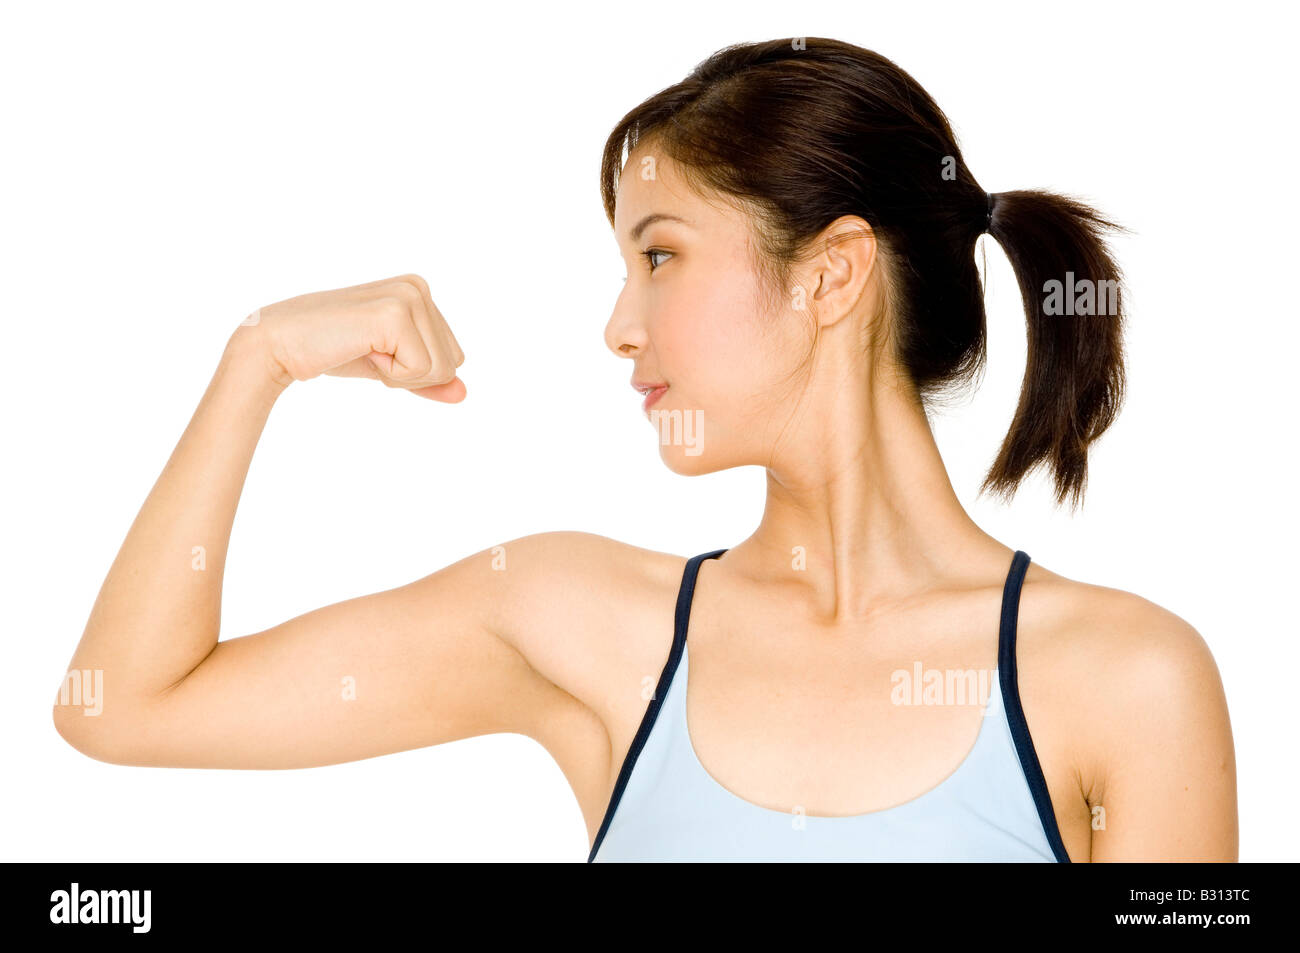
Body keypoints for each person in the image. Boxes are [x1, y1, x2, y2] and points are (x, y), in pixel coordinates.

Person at [53, 37, 1236, 862]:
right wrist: (258, 358)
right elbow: (125, 704)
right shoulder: (578, 618)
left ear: (829, 273)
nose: (618, 325)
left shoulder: (1129, 678)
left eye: (658, 256)